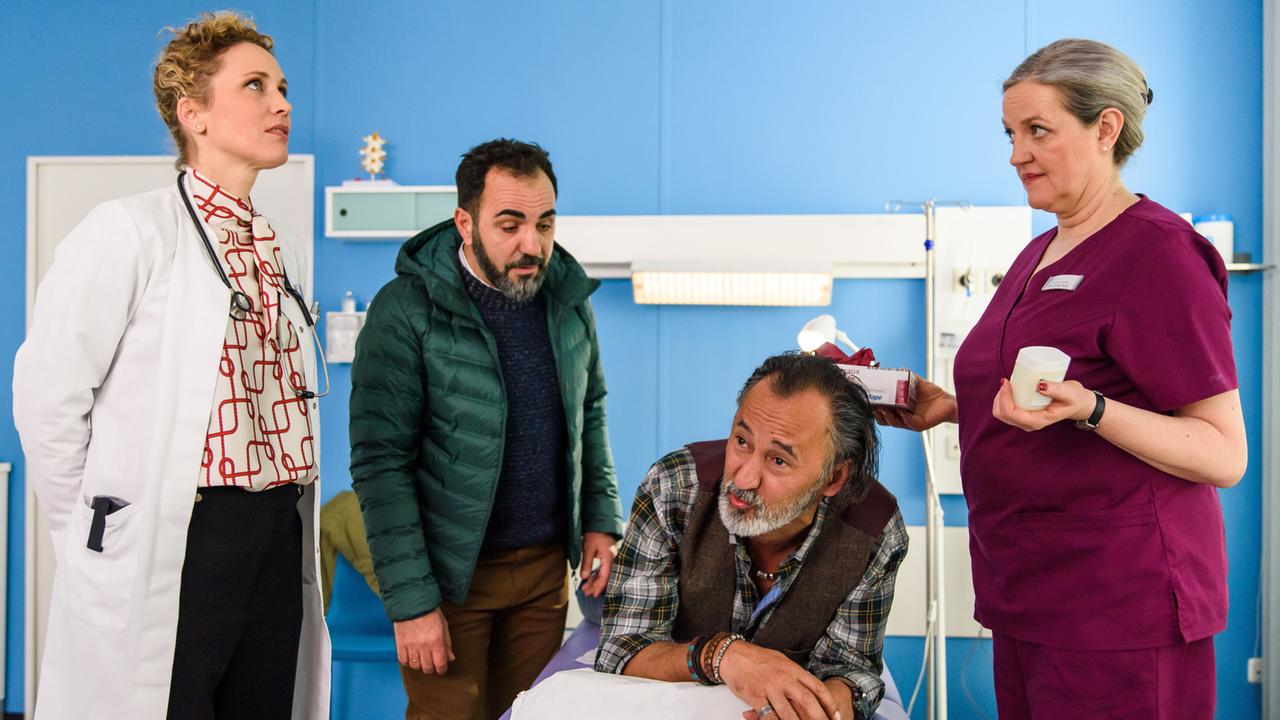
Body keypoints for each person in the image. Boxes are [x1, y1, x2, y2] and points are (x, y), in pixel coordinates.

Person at [876, 39, 1246, 718]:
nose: (1016, 153)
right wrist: (951, 407)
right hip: (1027, 591)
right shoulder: (1037, 253)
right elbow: (1039, 399)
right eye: (1010, 134)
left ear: (1106, 128)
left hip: (1121, 606)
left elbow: (1223, 453)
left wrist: (1094, 409)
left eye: (1038, 130)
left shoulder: (1159, 253)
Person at [13, 11, 330, 720]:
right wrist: (95, 535)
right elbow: (47, 398)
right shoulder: (129, 231)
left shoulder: (282, 250)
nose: (282, 104)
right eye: (256, 86)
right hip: (182, 537)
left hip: (277, 531)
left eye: (283, 87)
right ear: (195, 114)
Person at [349, 138, 624, 720]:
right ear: (465, 223)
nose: (533, 245)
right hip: (449, 579)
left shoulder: (568, 298)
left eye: (544, 224)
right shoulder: (405, 310)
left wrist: (601, 519)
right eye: (510, 224)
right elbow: (381, 464)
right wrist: (412, 603)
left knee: (535, 714)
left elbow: (590, 410)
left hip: (543, 574)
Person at [596, 353, 908, 720]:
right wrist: (722, 655)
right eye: (742, 441)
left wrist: (820, 709)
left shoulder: (875, 531)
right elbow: (622, 648)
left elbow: (849, 668)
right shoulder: (674, 486)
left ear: (833, 478)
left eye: (778, 460)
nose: (743, 479)